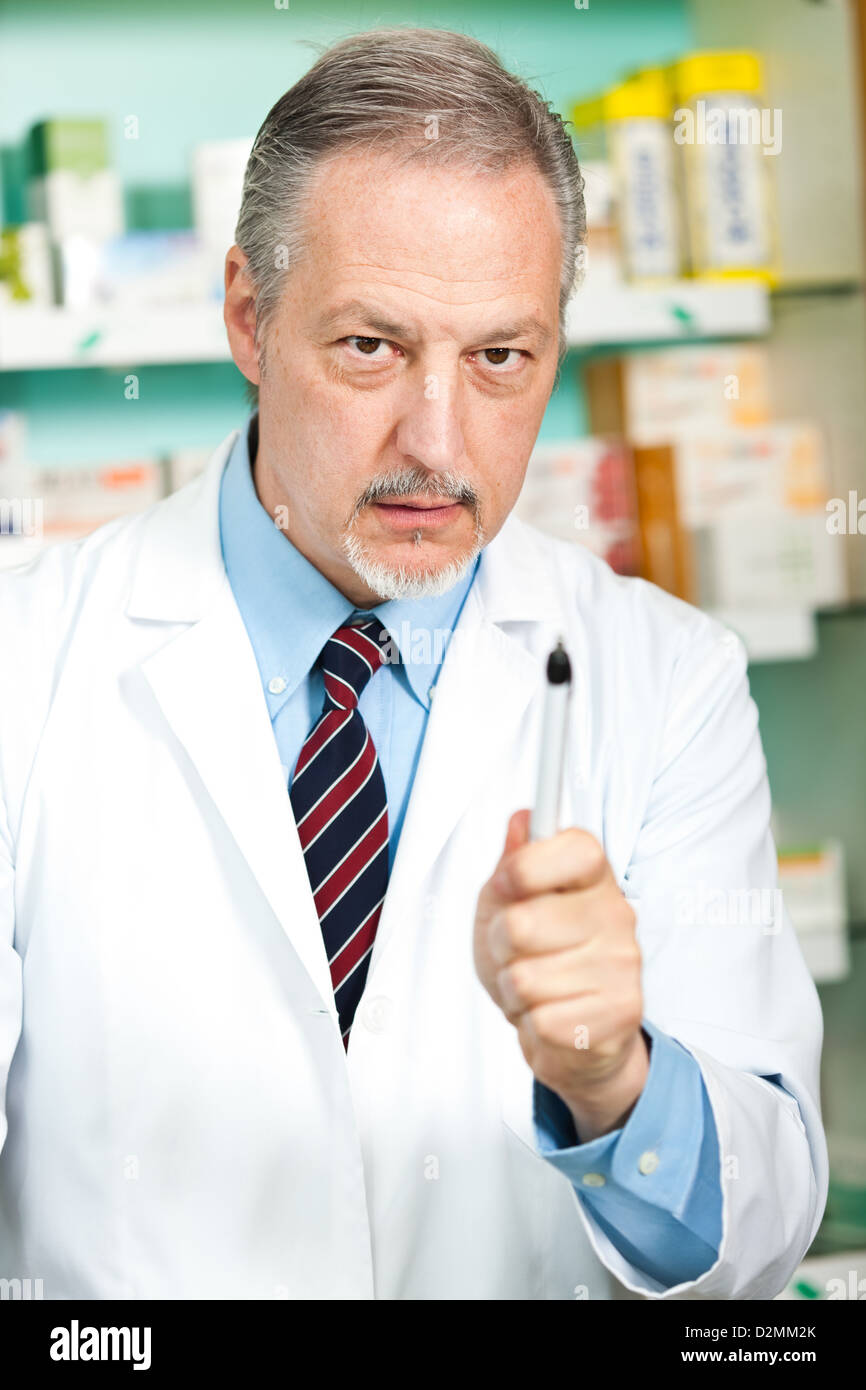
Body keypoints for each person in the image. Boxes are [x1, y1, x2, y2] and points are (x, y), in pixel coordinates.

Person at [0, 27, 826, 1300]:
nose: (436, 442)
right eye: (370, 348)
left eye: (500, 358)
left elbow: (754, 1242)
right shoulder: (28, 660)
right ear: (245, 315)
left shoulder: (666, 679)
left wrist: (616, 1082)